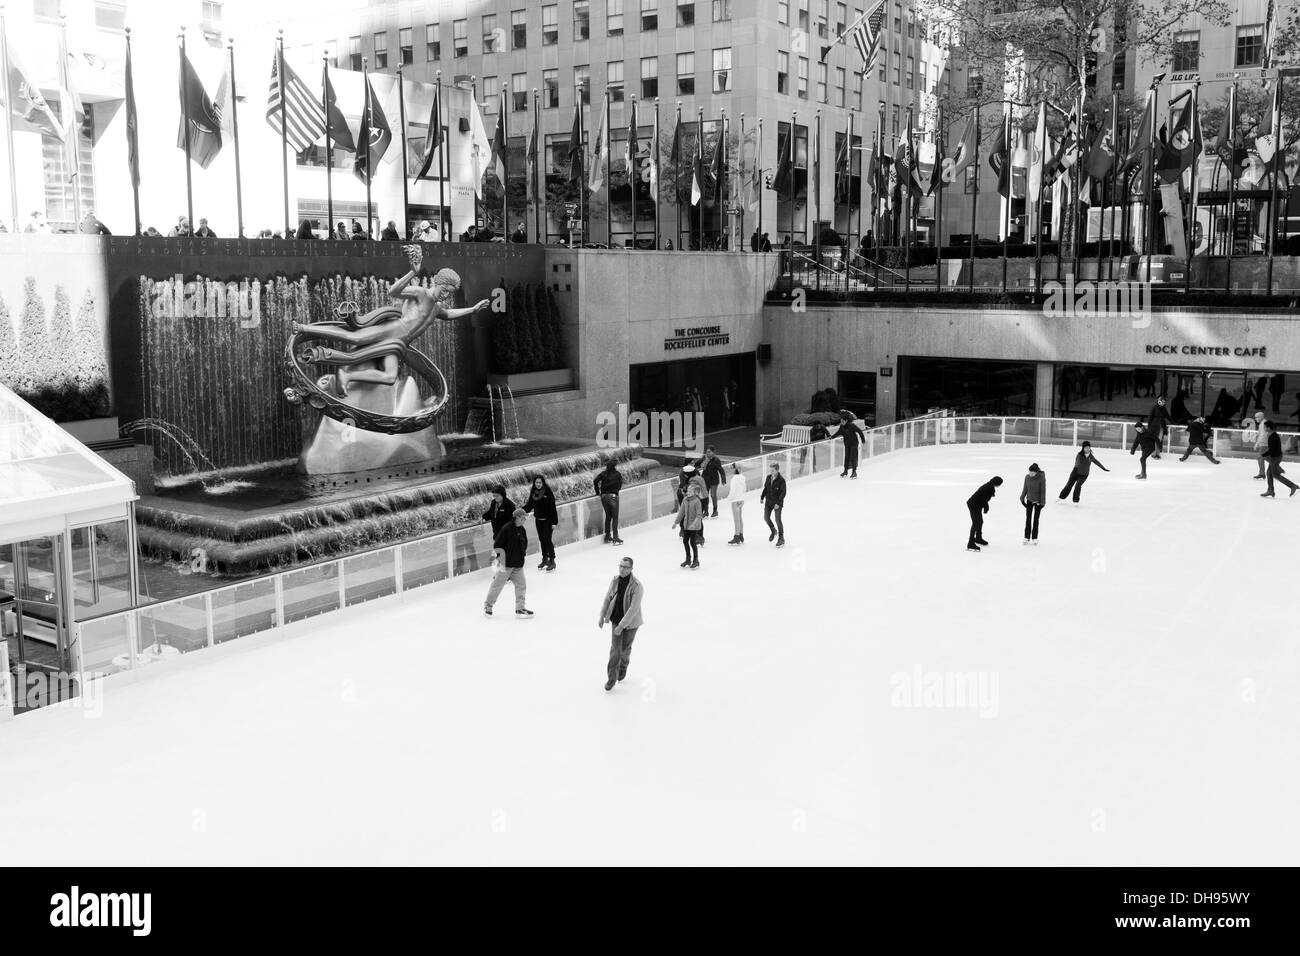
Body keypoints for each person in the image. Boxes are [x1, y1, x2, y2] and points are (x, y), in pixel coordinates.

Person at [291, 247, 490, 394]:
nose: (446, 295)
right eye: (444, 290)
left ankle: (347, 376)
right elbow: (393, 291)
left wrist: (473, 309)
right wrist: (413, 272)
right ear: (437, 282)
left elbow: (448, 315)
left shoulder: (436, 308)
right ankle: (305, 328)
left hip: (399, 344)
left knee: (389, 377)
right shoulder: (421, 293)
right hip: (393, 330)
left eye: (449, 293)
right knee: (355, 339)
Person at [599, 556, 644, 691]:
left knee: (624, 650)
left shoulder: (637, 586)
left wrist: (621, 626)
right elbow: (607, 598)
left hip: (631, 624)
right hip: (616, 620)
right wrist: (602, 616)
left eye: (625, 567)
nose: (622, 569)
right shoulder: (615, 581)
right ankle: (611, 679)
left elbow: (633, 609)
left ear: (631, 569)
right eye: (621, 566)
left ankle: (622, 669)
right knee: (615, 651)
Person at [484, 510, 533, 617]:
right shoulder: (506, 529)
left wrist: (521, 555)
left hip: (518, 564)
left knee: (521, 586)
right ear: (517, 517)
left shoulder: (522, 529)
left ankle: (520, 608)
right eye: (523, 517)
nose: (525, 519)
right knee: (497, 586)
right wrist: (501, 561)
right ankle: (488, 605)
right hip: (505, 565)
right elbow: (497, 546)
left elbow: (524, 544)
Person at [522, 475, 558, 571]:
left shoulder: (547, 492)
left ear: (543, 483)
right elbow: (529, 505)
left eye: (540, 482)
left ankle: (552, 560)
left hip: (548, 521)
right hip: (538, 520)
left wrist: (554, 522)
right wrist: (521, 510)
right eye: (536, 482)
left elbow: (552, 507)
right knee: (542, 540)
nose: (538, 484)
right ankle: (545, 559)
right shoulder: (533, 492)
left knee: (547, 540)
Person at [1260, 420, 1299, 498]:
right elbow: (1272, 449)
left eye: (1265, 427)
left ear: (1268, 428)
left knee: (1275, 474)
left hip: (1275, 458)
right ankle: (1270, 490)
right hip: (1275, 457)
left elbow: (1272, 450)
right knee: (1269, 473)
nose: (1264, 428)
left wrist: (1263, 455)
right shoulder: (1272, 435)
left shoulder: (1273, 436)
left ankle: (1293, 486)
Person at [965, 476, 1003, 552]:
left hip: (977, 505)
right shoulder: (988, 488)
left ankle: (978, 538)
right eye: (1000, 484)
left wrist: (985, 507)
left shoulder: (990, 486)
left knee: (980, 522)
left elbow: (984, 499)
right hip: (973, 504)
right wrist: (986, 507)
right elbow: (983, 500)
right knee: (976, 523)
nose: (999, 486)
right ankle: (970, 543)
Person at [671, 484, 704, 569]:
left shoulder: (697, 501)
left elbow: (699, 515)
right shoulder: (685, 500)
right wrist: (676, 522)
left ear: (694, 492)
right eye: (688, 491)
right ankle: (688, 559)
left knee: (692, 543)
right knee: (685, 541)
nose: (688, 493)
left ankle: (696, 560)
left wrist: (694, 524)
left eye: (690, 491)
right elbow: (681, 512)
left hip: (694, 526)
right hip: (686, 525)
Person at [593, 461, 623, 544]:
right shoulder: (617, 474)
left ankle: (607, 536)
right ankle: (615, 537)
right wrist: (615, 490)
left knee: (608, 516)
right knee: (615, 517)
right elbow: (620, 485)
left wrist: (597, 492)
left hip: (603, 497)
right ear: (614, 466)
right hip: (613, 496)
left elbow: (595, 481)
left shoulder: (603, 474)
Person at [760, 461, 786, 547]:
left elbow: (783, 493)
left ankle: (781, 538)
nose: (771, 472)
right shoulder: (768, 477)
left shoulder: (781, 480)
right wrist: (762, 497)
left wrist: (778, 503)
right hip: (769, 502)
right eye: (770, 470)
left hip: (777, 503)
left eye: (773, 471)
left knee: (777, 520)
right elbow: (766, 488)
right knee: (766, 518)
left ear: (777, 470)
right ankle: (773, 530)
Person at [832, 412, 865, 478]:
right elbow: (838, 432)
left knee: (853, 457)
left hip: (854, 443)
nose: (841, 422)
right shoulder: (841, 426)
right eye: (841, 421)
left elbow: (860, 431)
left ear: (846, 421)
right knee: (846, 457)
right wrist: (832, 437)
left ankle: (854, 472)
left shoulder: (851, 425)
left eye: (842, 421)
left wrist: (863, 440)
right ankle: (845, 471)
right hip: (847, 444)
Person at [1020, 463, 1046, 545]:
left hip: (1038, 502)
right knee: (1028, 519)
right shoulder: (1027, 477)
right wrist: (1022, 498)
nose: (1030, 473)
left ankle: (1034, 537)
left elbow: (1043, 491)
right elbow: (1025, 488)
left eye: (1032, 472)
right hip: (1029, 500)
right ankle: (1026, 537)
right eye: (1029, 471)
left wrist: (1042, 502)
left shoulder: (1041, 478)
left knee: (1036, 520)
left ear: (1036, 472)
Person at [698, 446, 726, 518]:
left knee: (713, 495)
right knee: (705, 496)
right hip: (705, 480)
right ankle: (705, 512)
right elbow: (697, 464)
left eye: (709, 452)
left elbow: (721, 470)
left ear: (713, 452)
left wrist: (723, 480)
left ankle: (715, 511)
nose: (707, 453)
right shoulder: (704, 458)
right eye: (707, 452)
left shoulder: (716, 460)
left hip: (714, 481)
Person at [726, 464, 747, 545]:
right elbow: (744, 489)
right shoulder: (743, 478)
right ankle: (741, 534)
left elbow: (733, 490)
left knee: (736, 519)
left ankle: (737, 536)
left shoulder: (734, 479)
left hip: (735, 500)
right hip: (741, 499)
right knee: (740, 518)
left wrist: (729, 498)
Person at [1249, 411, 1269, 479]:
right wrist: (1256, 435)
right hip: (1264, 443)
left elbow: (1263, 435)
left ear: (1261, 417)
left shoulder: (1263, 424)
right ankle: (1278, 470)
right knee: (1267, 458)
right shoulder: (1262, 423)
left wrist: (1257, 444)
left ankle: (1262, 474)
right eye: (1255, 417)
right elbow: (1261, 433)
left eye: (1257, 417)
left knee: (1260, 457)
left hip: (1264, 444)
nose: (1255, 418)